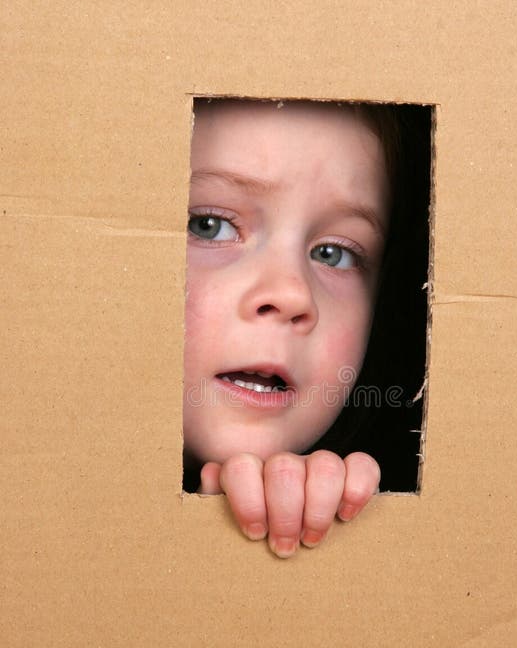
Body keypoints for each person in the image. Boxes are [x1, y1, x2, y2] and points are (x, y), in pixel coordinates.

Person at [183, 98, 429, 557]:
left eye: (333, 253)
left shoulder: (338, 484)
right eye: (210, 225)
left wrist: (328, 505)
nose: (292, 294)